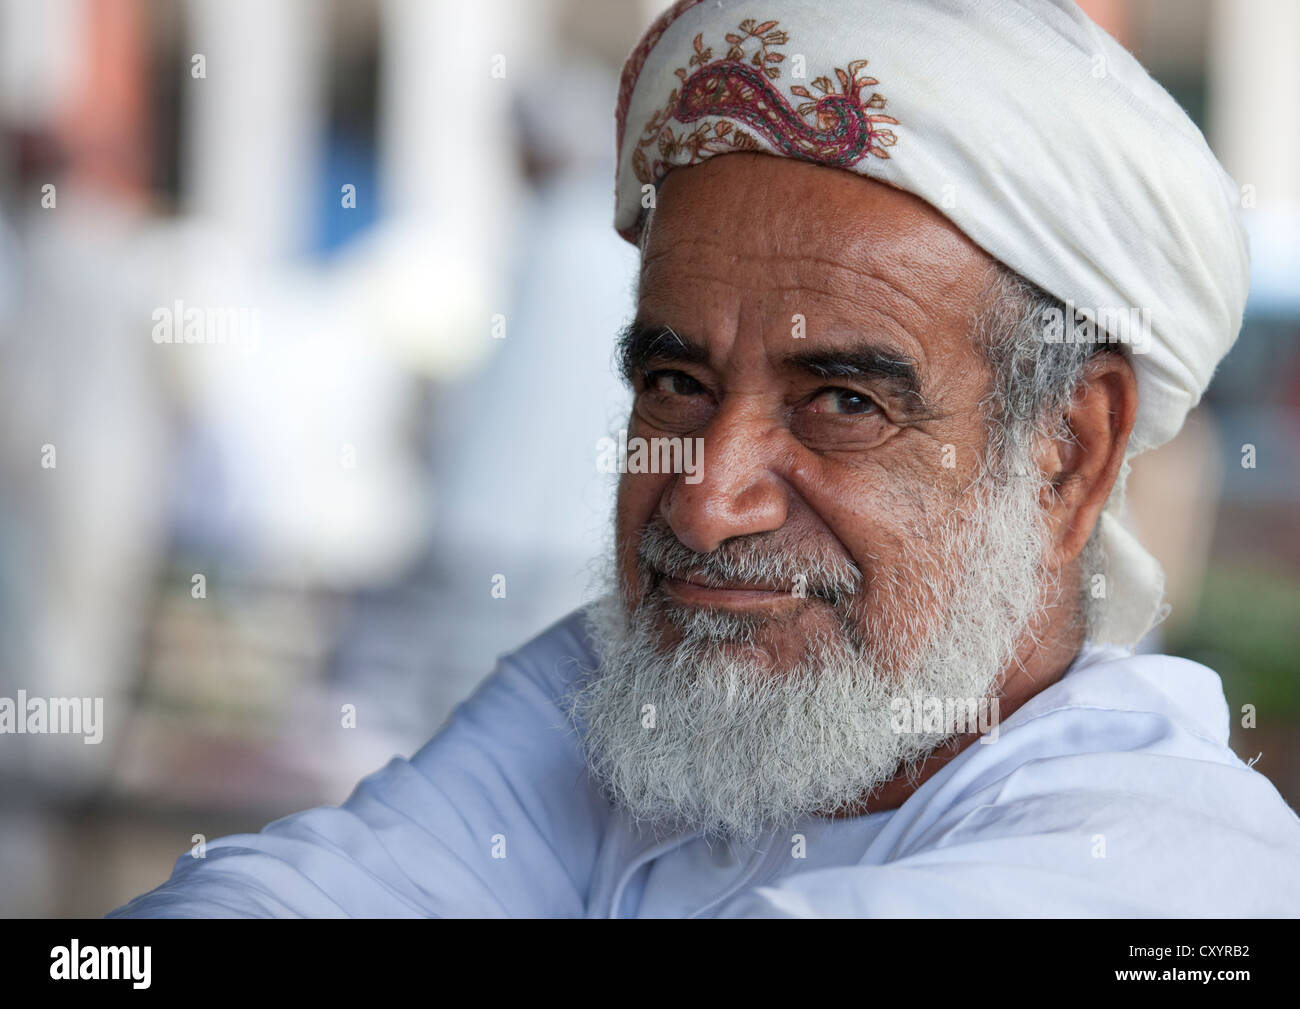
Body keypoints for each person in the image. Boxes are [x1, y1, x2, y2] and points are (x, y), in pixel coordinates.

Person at [110, 0, 1300, 917]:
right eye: (674, 381)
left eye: (840, 399)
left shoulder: (1173, 866)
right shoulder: (628, 697)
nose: (707, 495)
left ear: (1066, 453)